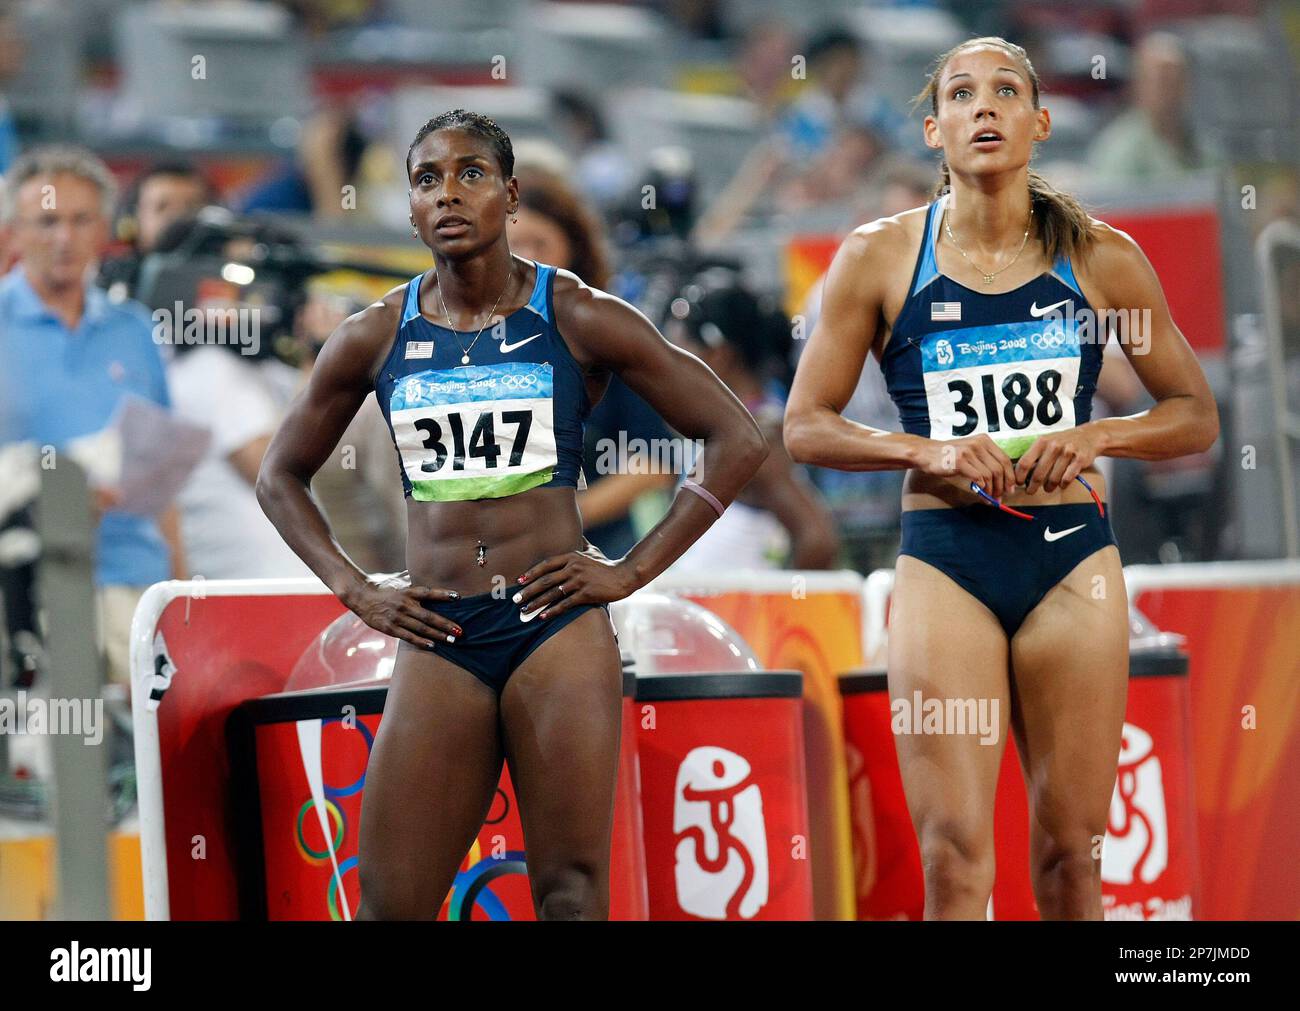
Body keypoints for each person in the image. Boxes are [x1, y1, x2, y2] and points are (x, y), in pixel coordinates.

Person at [255, 109, 767, 920]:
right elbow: (279, 476)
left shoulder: (579, 315)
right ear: (412, 206)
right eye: (427, 179)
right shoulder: (373, 335)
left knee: (569, 893)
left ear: (510, 194)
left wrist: (632, 569)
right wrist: (357, 590)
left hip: (552, 626)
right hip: (441, 633)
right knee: (392, 903)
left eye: (470, 175)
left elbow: (736, 436)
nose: (448, 195)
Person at [783, 38, 1218, 920]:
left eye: (1007, 91)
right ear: (935, 128)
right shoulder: (875, 257)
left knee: (1071, 860)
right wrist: (928, 451)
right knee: (954, 862)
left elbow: (1195, 415)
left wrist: (1099, 432)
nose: (984, 108)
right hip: (947, 560)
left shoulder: (1101, 257)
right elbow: (804, 425)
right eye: (962, 94)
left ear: (1039, 122)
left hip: (1070, 560)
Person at [0, 145, 186, 688]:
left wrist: (180, 598)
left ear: (103, 229)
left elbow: (163, 484)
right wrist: (41, 492)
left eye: (81, 221)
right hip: (28, 594)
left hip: (136, 586)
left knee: (144, 767)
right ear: (13, 232)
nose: (64, 238)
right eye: (47, 221)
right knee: (49, 767)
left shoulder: (134, 330)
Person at [508, 162, 677, 558]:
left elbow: (655, 463)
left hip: (594, 555)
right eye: (515, 246)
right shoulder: (457, 338)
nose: (528, 261)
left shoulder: (606, 333)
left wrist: (568, 519)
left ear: (573, 245)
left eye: (541, 244)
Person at [666, 266, 839, 571]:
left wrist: (779, 611)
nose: (668, 370)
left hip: (737, 616)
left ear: (718, 354)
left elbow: (818, 540)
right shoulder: (737, 428)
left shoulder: (759, 438)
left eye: (679, 353)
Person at [1087, 32, 1202, 183]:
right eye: (1162, 80)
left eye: (1178, 80)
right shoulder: (1121, 149)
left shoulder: (1203, 146)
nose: (1171, 90)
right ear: (1139, 85)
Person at [98, 161, 216, 301]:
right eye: (162, 207)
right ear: (135, 215)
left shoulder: (224, 276)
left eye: (190, 207)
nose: (177, 217)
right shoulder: (110, 279)